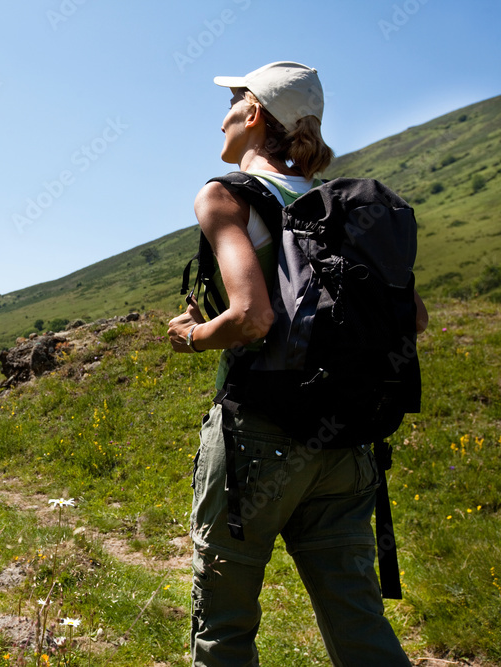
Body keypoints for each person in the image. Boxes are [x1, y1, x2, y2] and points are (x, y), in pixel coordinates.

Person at [167, 61, 428, 666]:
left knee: (225, 621)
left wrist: (192, 335)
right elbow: (412, 318)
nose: (223, 115)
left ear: (254, 114)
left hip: (259, 434)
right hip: (346, 442)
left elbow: (251, 318)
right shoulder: (344, 209)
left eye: (232, 101)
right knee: (356, 616)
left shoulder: (224, 196)